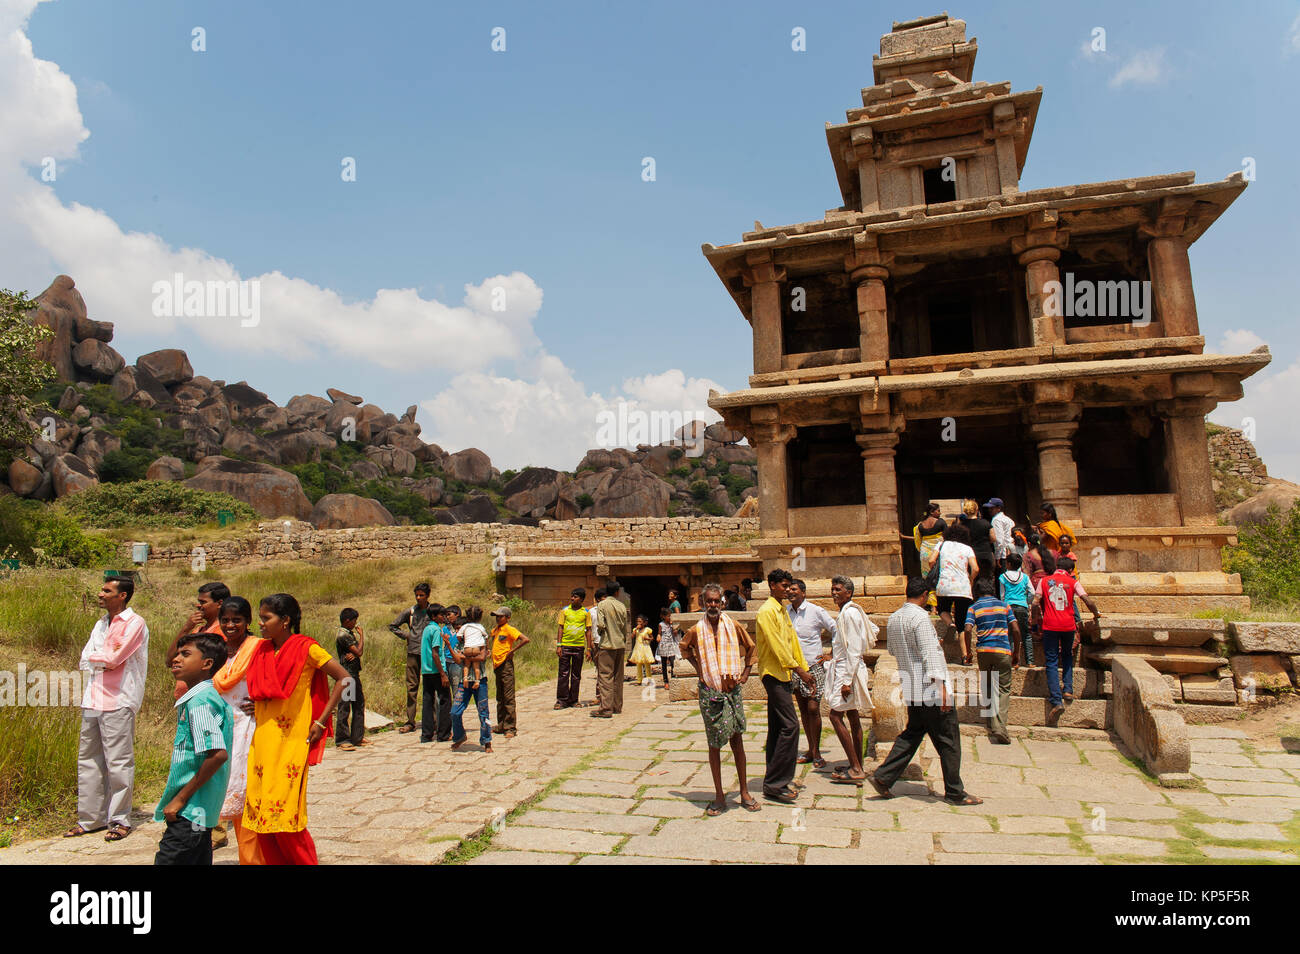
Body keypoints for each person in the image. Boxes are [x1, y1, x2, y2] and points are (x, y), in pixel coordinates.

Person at [244, 593, 352, 865]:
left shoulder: (307, 647)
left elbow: (345, 679)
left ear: (285, 620)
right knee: (261, 813)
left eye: (266, 618)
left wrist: (321, 720)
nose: (260, 623)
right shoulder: (261, 649)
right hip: (262, 738)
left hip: (293, 739)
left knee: (286, 812)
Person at [868, 578, 981, 805]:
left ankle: (883, 777)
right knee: (949, 740)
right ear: (924, 596)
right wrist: (943, 691)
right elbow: (930, 657)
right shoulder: (920, 618)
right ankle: (955, 791)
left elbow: (894, 649)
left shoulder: (895, 618)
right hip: (931, 690)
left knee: (912, 734)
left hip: (912, 687)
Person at [66, 575, 149, 843]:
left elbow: (113, 659)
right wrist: (99, 658)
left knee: (118, 762)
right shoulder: (101, 623)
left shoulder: (134, 623)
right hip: (93, 698)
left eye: (106, 590)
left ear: (122, 595)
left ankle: (120, 819)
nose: (100, 594)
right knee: (89, 759)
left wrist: (98, 658)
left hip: (119, 699)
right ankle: (90, 819)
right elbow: (84, 659)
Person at [678, 583, 760, 816]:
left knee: (737, 739)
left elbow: (751, 647)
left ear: (722, 602)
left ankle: (744, 791)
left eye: (717, 601)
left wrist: (746, 673)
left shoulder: (732, 626)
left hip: (732, 689)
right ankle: (719, 795)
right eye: (709, 601)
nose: (713, 605)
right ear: (703, 603)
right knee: (714, 743)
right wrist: (700, 670)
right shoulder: (696, 630)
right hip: (710, 691)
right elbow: (685, 649)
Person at [154, 632, 232, 865]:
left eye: (186, 654)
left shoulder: (199, 701)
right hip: (203, 811)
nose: (176, 658)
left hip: (190, 810)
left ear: (207, 664)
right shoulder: (209, 696)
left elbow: (218, 755)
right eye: (177, 653)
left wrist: (179, 799)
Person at [754, 568, 814, 804]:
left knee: (779, 727)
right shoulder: (766, 612)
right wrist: (797, 668)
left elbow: (792, 642)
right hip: (773, 673)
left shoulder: (782, 611)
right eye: (783, 586)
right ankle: (776, 784)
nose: (787, 589)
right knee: (791, 726)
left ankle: (773, 778)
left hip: (785, 674)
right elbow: (777, 645)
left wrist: (803, 667)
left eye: (789, 586)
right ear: (771, 585)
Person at [213, 597, 265, 865]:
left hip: (249, 726)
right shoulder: (215, 649)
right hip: (219, 726)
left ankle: (253, 859)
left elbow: (275, 679)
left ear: (248, 621)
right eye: (225, 620)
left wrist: (264, 702)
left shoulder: (258, 648)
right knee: (221, 788)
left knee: (249, 797)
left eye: (237, 620)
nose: (230, 625)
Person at [1031, 554, 1101, 724]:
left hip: (1049, 625)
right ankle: (1068, 689)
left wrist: (1034, 621)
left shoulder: (1044, 581)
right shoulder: (1073, 581)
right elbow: (1087, 600)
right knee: (1068, 656)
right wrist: (1096, 614)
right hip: (1069, 625)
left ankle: (1056, 700)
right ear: (1070, 570)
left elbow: (1034, 603)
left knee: (1052, 661)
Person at [825, 576, 876, 785]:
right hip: (846, 667)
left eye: (838, 589)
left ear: (848, 592)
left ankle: (855, 768)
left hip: (849, 672)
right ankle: (856, 764)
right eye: (832, 589)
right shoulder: (848, 612)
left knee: (835, 716)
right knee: (853, 716)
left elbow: (854, 649)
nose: (834, 593)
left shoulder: (850, 614)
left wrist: (846, 681)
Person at [962, 577, 1021, 745]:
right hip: (1002, 650)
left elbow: (967, 629)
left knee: (987, 685)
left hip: (983, 650)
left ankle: (990, 721)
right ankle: (1000, 727)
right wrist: (1016, 651)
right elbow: (1016, 629)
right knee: (1003, 689)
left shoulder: (974, 607)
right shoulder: (1005, 606)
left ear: (977, 592)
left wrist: (968, 652)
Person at [786, 578, 835, 769]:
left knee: (814, 708)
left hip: (814, 666)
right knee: (804, 710)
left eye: (794, 589)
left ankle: (817, 750)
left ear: (803, 592)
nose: (790, 592)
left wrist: (831, 653)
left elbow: (835, 629)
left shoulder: (816, 611)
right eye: (789, 589)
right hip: (796, 667)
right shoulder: (786, 613)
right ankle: (811, 749)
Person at [166, 582, 231, 701]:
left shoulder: (223, 634)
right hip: (187, 696)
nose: (198, 606)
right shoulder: (198, 631)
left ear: (219, 603)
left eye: (203, 602)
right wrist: (186, 628)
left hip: (205, 698)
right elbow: (169, 661)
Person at [388, 583, 434, 734]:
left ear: (428, 595)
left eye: (422, 595)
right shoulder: (411, 611)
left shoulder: (433, 611)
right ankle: (410, 721)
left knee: (430, 687)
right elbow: (393, 625)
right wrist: (407, 635)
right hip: (413, 652)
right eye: (417, 595)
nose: (419, 598)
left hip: (428, 653)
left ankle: (433, 720)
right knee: (411, 687)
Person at [451, 606, 492, 751]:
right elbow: (457, 658)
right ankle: (460, 736)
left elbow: (483, 656)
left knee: (483, 711)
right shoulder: (462, 642)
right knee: (455, 711)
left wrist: (465, 656)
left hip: (480, 680)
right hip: (464, 680)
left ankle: (487, 741)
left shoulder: (480, 640)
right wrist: (451, 647)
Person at [930, 522, 979, 632]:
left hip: (944, 585)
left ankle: (950, 624)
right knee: (962, 620)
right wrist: (970, 579)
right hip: (963, 587)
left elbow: (931, 560)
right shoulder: (967, 548)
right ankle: (964, 645)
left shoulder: (941, 545)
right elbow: (975, 568)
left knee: (942, 609)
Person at [592, 582, 630, 718]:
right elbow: (625, 627)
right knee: (618, 677)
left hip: (607, 644)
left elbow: (601, 624)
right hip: (620, 644)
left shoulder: (602, 605)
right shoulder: (621, 606)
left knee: (605, 676)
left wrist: (602, 633)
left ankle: (606, 708)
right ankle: (617, 706)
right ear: (617, 592)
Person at [489, 606, 528, 738]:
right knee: (500, 697)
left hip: (506, 665)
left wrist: (512, 651)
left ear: (507, 618)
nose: (498, 618)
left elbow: (525, 639)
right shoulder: (495, 630)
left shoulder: (510, 629)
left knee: (508, 697)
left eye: (500, 616)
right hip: (497, 666)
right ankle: (501, 725)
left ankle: (510, 727)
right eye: (496, 616)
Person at [901, 503, 946, 608]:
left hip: (925, 553)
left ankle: (933, 608)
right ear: (932, 512)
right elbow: (947, 537)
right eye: (938, 511)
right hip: (937, 552)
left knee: (928, 578)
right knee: (940, 576)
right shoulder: (941, 522)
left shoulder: (920, 526)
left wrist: (904, 537)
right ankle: (942, 605)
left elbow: (918, 539)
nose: (940, 513)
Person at [334, 608, 366, 751]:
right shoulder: (343, 635)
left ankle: (357, 736)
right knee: (345, 706)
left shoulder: (348, 633)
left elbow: (356, 653)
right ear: (347, 621)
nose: (355, 624)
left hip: (353, 673)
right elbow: (359, 651)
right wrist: (362, 636)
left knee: (358, 703)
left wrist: (356, 653)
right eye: (353, 621)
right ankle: (342, 739)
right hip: (346, 675)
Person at [555, 588, 591, 709]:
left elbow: (588, 630)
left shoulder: (586, 612)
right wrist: (559, 645)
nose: (572, 598)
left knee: (576, 675)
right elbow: (560, 627)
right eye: (571, 596)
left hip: (579, 646)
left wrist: (589, 649)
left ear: (581, 599)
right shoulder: (564, 611)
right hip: (565, 645)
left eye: (575, 597)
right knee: (563, 674)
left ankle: (574, 700)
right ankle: (561, 700)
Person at [419, 605, 449, 743]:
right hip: (437, 670)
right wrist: (443, 673)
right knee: (444, 700)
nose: (444, 617)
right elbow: (435, 653)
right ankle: (443, 734)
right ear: (434, 616)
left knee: (427, 701)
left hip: (426, 670)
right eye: (441, 615)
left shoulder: (426, 629)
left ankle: (426, 734)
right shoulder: (437, 630)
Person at [998, 553, 1033, 665]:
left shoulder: (1003, 577)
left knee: (1011, 634)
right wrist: (1026, 601)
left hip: (1008, 607)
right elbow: (1032, 592)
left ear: (1008, 564)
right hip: (1022, 606)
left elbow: (1002, 595)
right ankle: (1030, 661)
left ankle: (1014, 661)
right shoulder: (1025, 577)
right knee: (1026, 634)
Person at [961, 498, 996, 580]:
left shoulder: (961, 526)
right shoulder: (986, 523)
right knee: (987, 580)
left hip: (969, 556)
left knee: (971, 579)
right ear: (977, 509)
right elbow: (993, 538)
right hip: (985, 555)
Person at [986, 498, 1015, 571]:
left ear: (998, 508)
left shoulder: (996, 520)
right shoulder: (1007, 519)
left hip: (1003, 555)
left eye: (992, 508)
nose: (989, 510)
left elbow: (999, 540)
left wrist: (997, 557)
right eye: (989, 508)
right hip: (1011, 552)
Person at [629, 614, 656, 684]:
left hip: (645, 648)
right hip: (638, 648)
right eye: (637, 621)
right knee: (639, 664)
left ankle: (649, 679)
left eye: (640, 621)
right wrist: (636, 629)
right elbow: (632, 636)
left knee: (647, 664)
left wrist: (648, 638)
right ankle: (639, 680)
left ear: (644, 623)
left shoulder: (647, 630)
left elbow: (652, 638)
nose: (638, 623)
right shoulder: (635, 630)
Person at [656, 607, 679, 688]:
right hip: (663, 645)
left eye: (670, 616)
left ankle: (673, 679)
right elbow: (659, 633)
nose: (670, 618)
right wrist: (658, 636)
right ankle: (666, 681)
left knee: (673, 662)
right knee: (664, 664)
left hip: (671, 645)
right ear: (664, 617)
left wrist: (673, 626)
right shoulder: (661, 625)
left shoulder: (672, 624)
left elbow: (675, 633)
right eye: (668, 616)